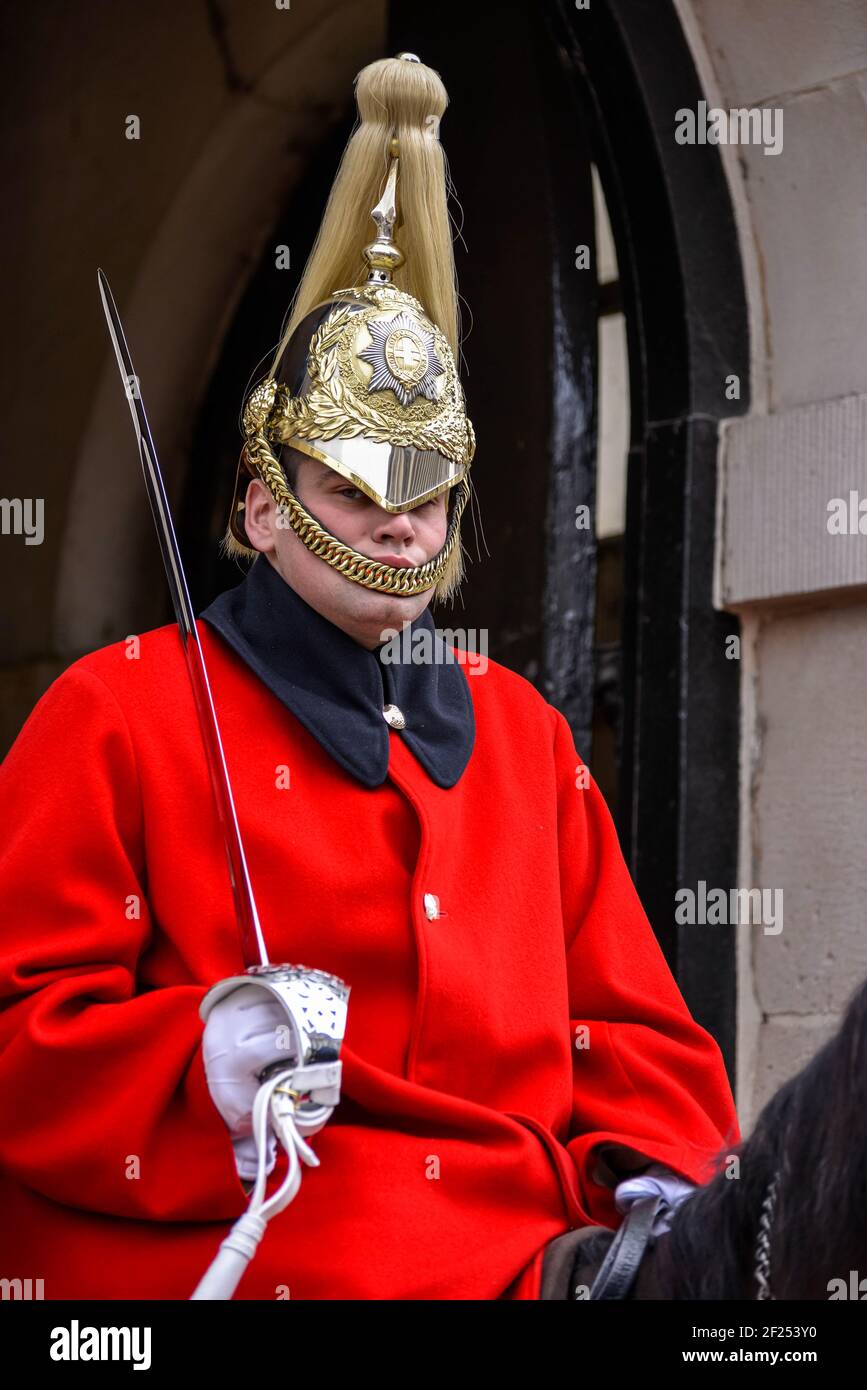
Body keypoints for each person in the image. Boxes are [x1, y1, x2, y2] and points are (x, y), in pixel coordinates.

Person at [0, 53, 739, 1301]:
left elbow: (633, 1036)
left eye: (426, 494)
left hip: (526, 1247)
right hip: (261, 1238)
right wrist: (200, 1056)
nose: (398, 524)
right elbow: (22, 1036)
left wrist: (655, 1176)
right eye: (352, 485)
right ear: (262, 504)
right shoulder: (115, 711)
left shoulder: (524, 737)